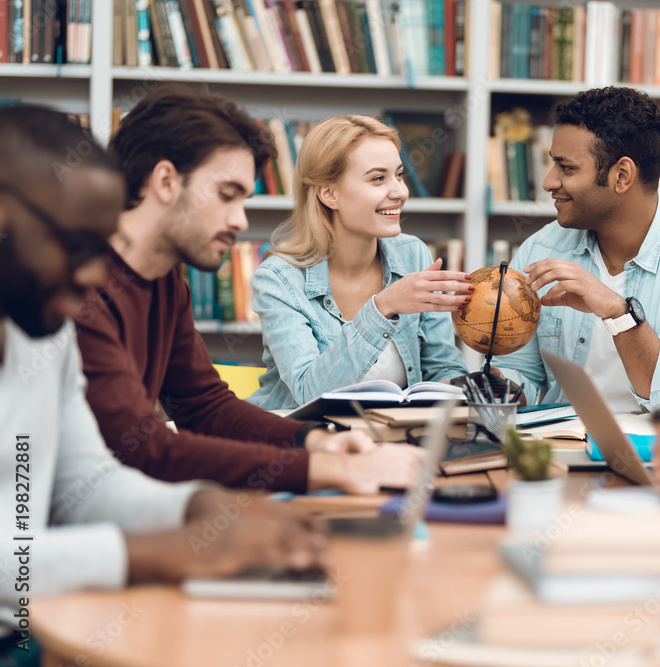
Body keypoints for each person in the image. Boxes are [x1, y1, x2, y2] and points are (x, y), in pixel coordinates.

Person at [0, 104, 331, 635]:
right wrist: (156, 551)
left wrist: (204, 508)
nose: (93, 273)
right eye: (77, 246)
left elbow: (86, 482)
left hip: (32, 624)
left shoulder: (47, 329)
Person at [72, 84, 422, 494]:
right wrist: (326, 470)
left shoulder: (165, 279)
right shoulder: (77, 288)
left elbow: (204, 408)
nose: (240, 221)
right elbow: (147, 449)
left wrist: (314, 440)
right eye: (226, 195)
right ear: (166, 181)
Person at [495, 86, 660, 426]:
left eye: (566, 168)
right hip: (562, 450)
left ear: (622, 176)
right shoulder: (540, 250)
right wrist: (491, 388)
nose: (548, 181)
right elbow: (524, 374)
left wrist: (619, 313)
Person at [247, 115, 469, 410]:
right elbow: (309, 395)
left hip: (390, 440)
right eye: (378, 178)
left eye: (399, 175)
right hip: (302, 443)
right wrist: (382, 308)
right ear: (329, 193)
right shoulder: (279, 280)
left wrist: (454, 388)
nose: (400, 192)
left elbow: (444, 368)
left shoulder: (413, 255)